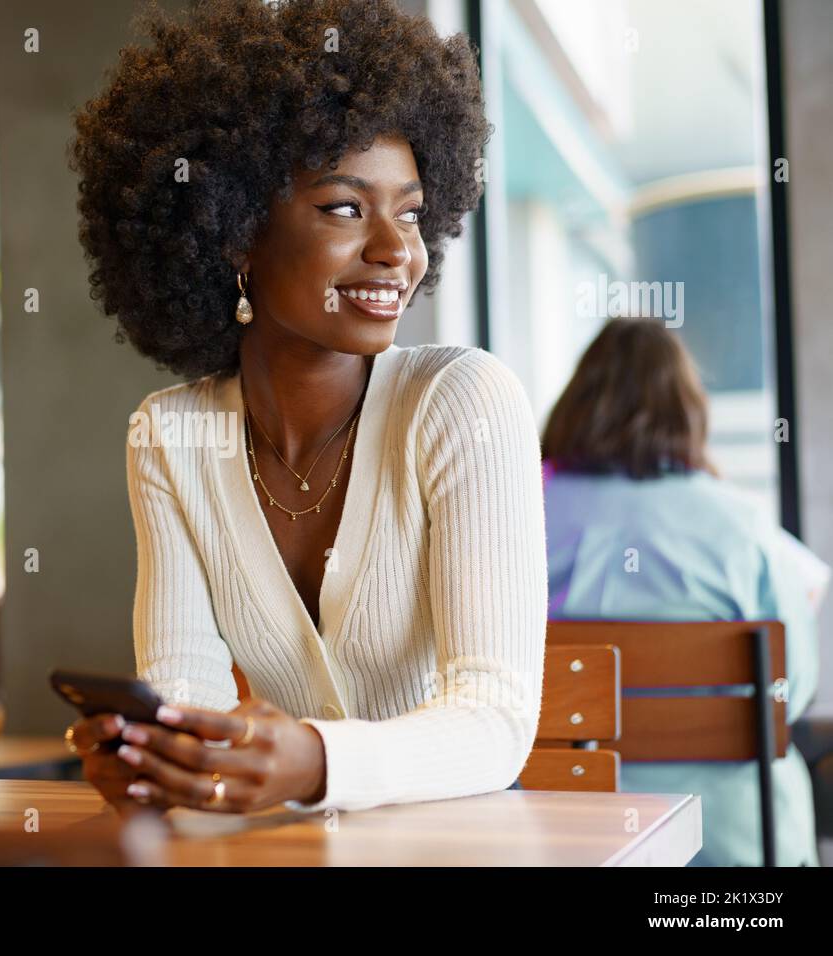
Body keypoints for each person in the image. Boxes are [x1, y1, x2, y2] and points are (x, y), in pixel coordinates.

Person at [63, 0, 548, 817]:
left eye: (413, 211)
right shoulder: (170, 435)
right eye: (346, 208)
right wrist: (165, 760)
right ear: (232, 233)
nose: (398, 250)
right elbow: (189, 694)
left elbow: (494, 720)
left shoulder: (462, 402)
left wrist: (315, 761)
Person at [541, 316, 824, 866]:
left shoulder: (521, 514)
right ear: (688, 410)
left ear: (578, 400)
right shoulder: (742, 525)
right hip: (733, 842)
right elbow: (795, 688)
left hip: (562, 829)